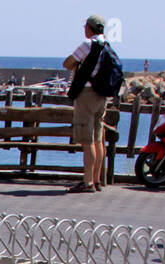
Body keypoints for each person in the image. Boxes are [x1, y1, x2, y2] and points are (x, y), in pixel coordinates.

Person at [63, 14, 113, 193]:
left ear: (90, 28)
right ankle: (97, 179)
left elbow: (67, 63)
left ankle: (87, 182)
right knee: (99, 139)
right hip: (102, 96)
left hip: (87, 94)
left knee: (87, 140)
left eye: (86, 26)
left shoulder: (88, 44)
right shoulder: (106, 45)